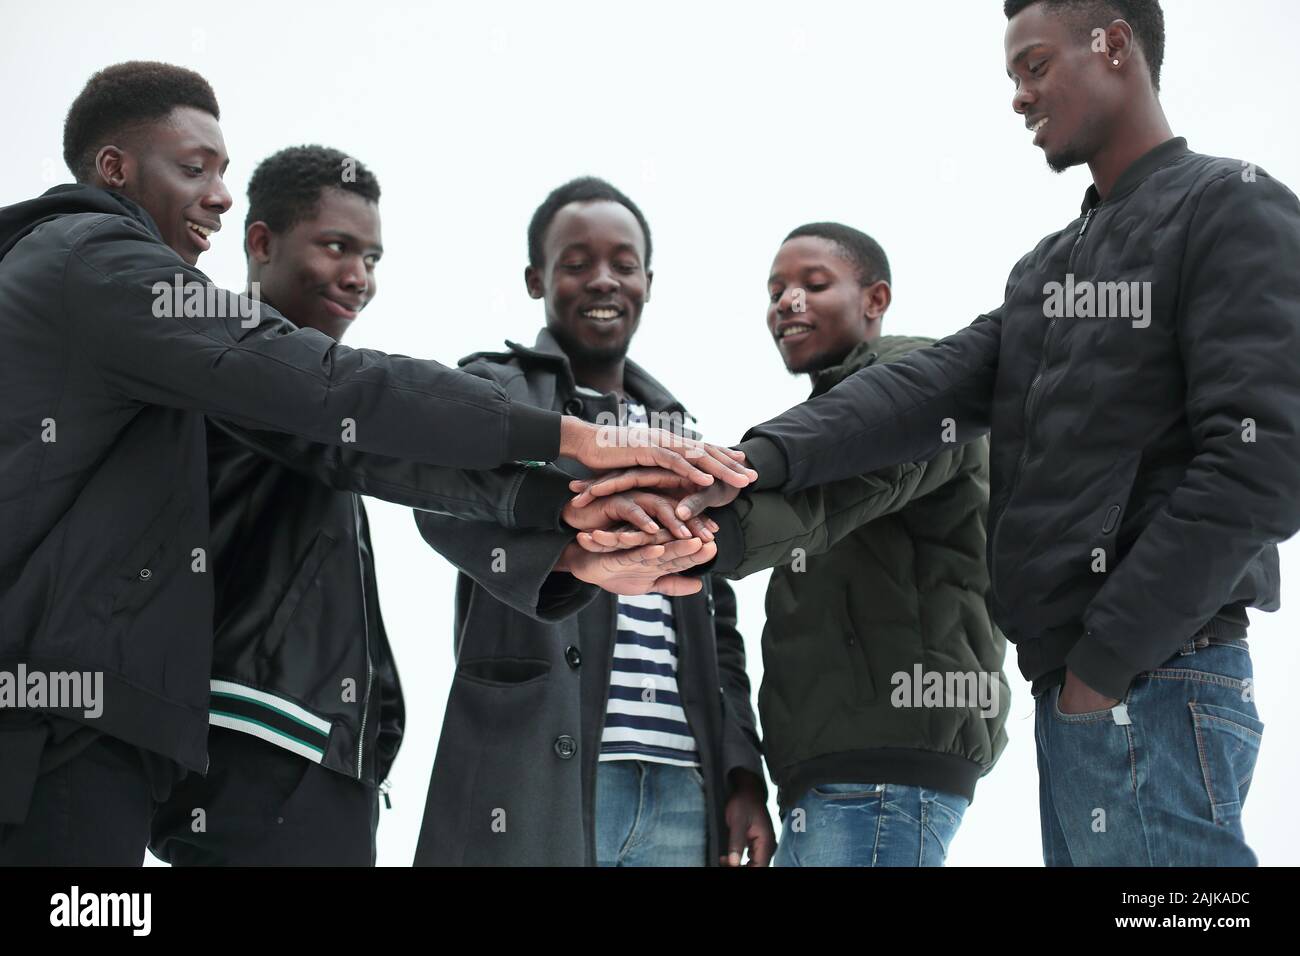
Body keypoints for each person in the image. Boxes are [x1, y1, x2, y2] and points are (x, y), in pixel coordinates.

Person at [0, 62, 752, 866]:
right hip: (95, 725)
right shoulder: (102, 265)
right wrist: (570, 439)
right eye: (195, 169)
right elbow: (345, 396)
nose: (221, 193)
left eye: (224, 170)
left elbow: (377, 456)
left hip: (138, 734)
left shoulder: (158, 332)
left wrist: (562, 528)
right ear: (115, 167)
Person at [706, 0, 1297, 866]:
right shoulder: (1048, 272)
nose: (1019, 97)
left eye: (1035, 66)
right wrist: (752, 462)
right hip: (1080, 694)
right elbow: (917, 392)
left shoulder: (1227, 207)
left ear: (1115, 46)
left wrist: (1110, 660)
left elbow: (1264, 460)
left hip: (1154, 681)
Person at [412, 177, 773, 867]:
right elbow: (438, 501)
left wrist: (739, 775)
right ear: (535, 278)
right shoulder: (494, 388)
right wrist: (567, 550)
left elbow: (716, 620)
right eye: (576, 263)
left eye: (624, 263)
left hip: (680, 789)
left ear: (648, 281)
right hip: (539, 775)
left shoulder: (681, 430)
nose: (603, 280)